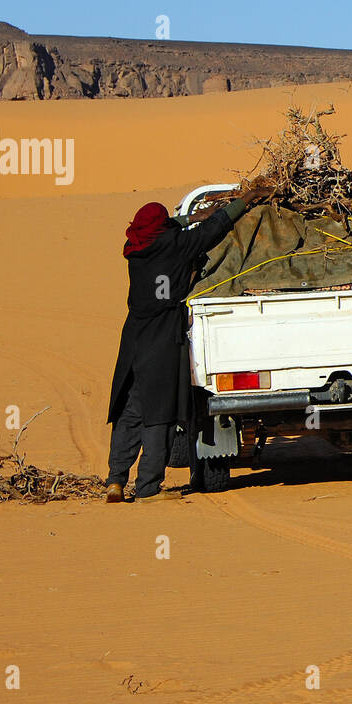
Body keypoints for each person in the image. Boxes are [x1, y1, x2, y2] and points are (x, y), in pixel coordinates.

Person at [105, 183, 268, 502]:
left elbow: (164, 228)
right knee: (160, 413)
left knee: (131, 410)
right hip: (163, 337)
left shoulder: (134, 249)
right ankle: (148, 488)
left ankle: (115, 480)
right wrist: (246, 200)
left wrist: (191, 215)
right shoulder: (177, 246)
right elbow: (217, 228)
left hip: (134, 337)